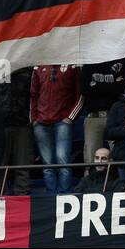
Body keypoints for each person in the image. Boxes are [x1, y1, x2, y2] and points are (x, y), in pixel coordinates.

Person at [30, 64, 81, 194]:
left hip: (62, 122)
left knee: (62, 161)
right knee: (47, 165)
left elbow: (80, 94)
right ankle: (51, 197)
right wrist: (34, 119)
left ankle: (64, 195)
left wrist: (70, 118)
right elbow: (33, 95)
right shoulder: (38, 66)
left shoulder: (73, 66)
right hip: (41, 123)